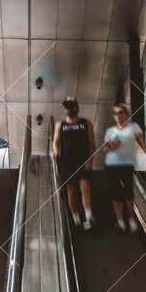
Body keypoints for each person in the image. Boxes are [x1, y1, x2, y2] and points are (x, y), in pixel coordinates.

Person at [101, 101, 146, 232]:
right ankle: (120, 221)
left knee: (128, 192)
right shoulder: (110, 131)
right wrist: (111, 145)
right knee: (116, 193)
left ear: (126, 114)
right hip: (112, 165)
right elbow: (105, 149)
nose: (118, 116)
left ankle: (131, 219)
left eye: (120, 113)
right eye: (115, 113)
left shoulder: (134, 127)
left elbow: (141, 142)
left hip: (127, 164)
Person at [52, 96, 96, 229]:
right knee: (70, 190)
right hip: (66, 162)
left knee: (85, 187)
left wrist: (90, 160)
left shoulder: (86, 123)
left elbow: (92, 143)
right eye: (67, 107)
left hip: (82, 161)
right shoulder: (60, 124)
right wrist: (55, 151)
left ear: (77, 107)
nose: (69, 109)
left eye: (71, 106)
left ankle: (89, 217)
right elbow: (56, 141)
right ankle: (76, 219)